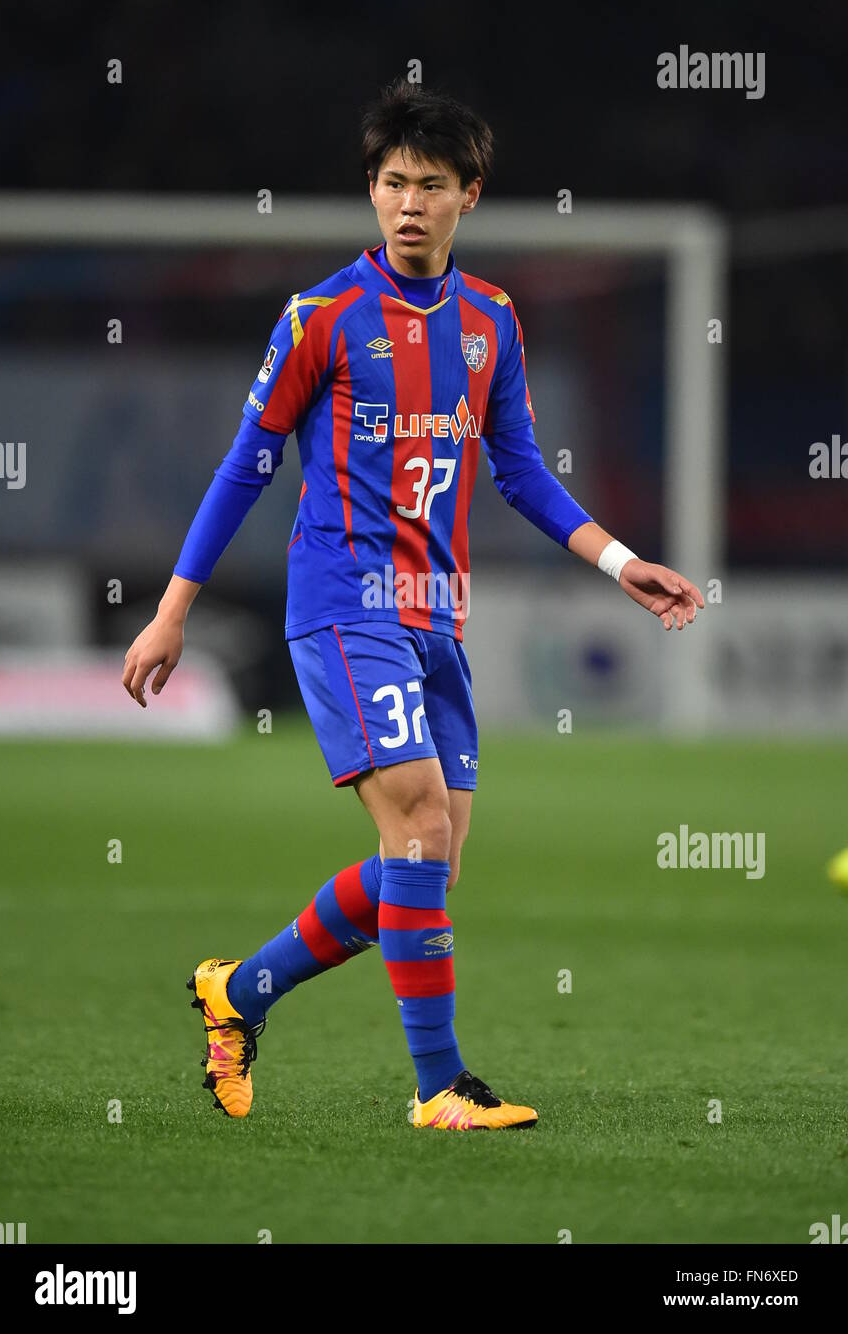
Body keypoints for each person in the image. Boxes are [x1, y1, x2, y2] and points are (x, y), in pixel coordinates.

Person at [122, 78, 704, 1131]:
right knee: (422, 826)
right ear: (372, 190)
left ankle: (235, 992)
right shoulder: (322, 318)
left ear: (467, 196)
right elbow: (243, 468)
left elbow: (520, 470)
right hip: (344, 607)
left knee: (422, 861)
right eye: (391, 182)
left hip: (436, 615)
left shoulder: (489, 324)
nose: (407, 203)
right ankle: (439, 1088)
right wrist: (171, 610)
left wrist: (621, 563)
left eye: (429, 185)